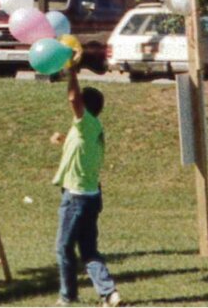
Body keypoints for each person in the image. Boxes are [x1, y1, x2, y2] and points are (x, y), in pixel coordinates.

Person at [52, 65, 122, 307]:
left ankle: (67, 296)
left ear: (85, 106)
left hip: (76, 198)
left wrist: (71, 72)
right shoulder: (91, 129)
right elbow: (80, 151)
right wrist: (63, 139)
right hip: (91, 196)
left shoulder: (86, 123)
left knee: (63, 248)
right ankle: (109, 293)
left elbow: (72, 97)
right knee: (89, 249)